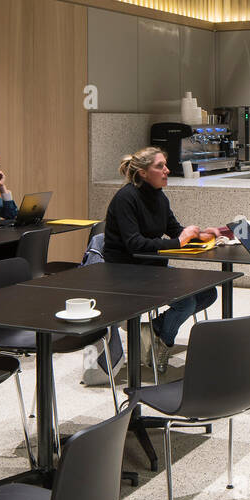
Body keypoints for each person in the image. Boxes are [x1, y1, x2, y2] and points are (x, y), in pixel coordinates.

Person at [103, 147, 221, 372]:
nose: (167, 170)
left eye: (165, 165)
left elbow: (174, 229)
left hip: (152, 268)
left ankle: (155, 329)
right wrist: (179, 241)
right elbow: (135, 244)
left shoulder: (159, 196)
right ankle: (163, 341)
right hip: (126, 272)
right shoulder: (126, 198)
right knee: (186, 302)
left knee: (209, 293)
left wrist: (199, 234)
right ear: (143, 173)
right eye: (160, 166)